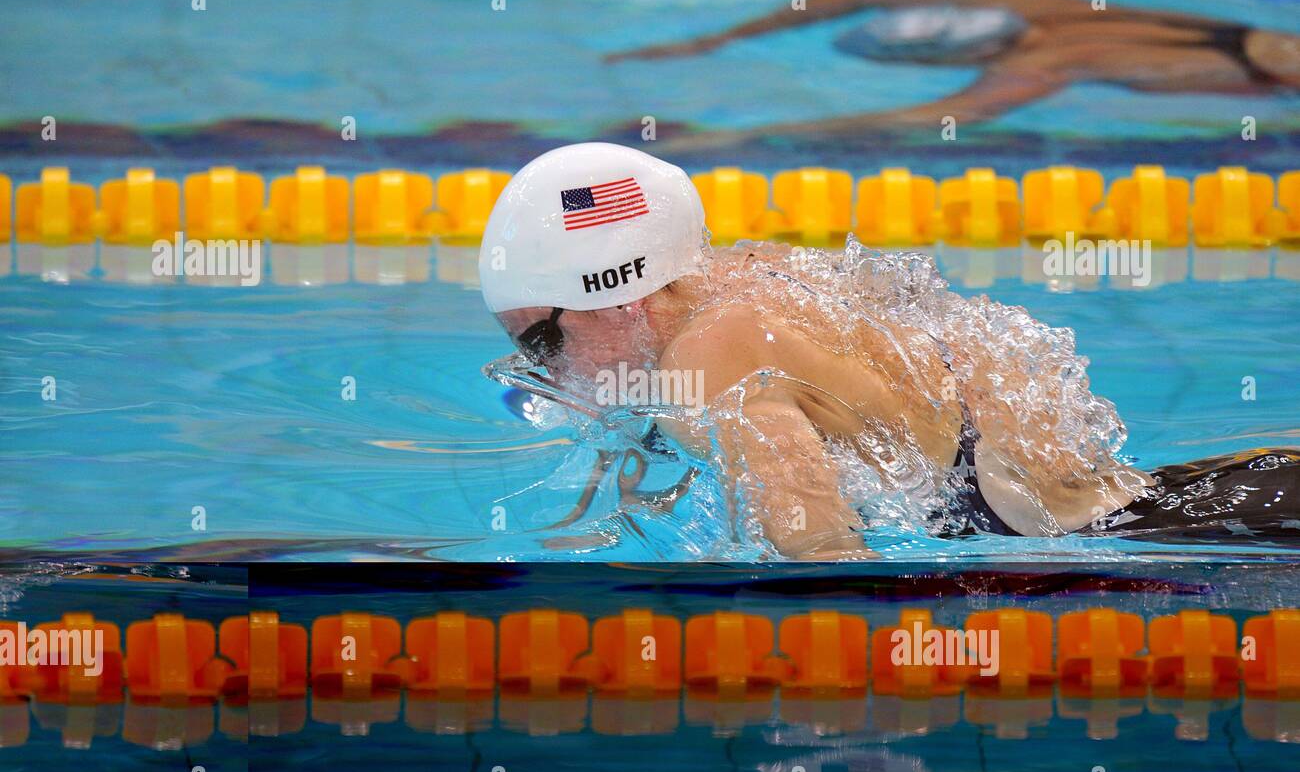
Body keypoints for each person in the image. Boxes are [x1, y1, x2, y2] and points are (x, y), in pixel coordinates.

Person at [480, 143, 1300, 558]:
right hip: (1156, 501)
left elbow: (829, 558)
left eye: (546, 340)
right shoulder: (745, 275)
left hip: (1133, 545)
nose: (549, 372)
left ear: (619, 297)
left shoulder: (713, 369)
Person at [604, 0, 1300, 144]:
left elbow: (913, 116)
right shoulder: (1033, 4)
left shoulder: (1037, 61)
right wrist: (719, 41)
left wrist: (734, 129)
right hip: (1267, 53)